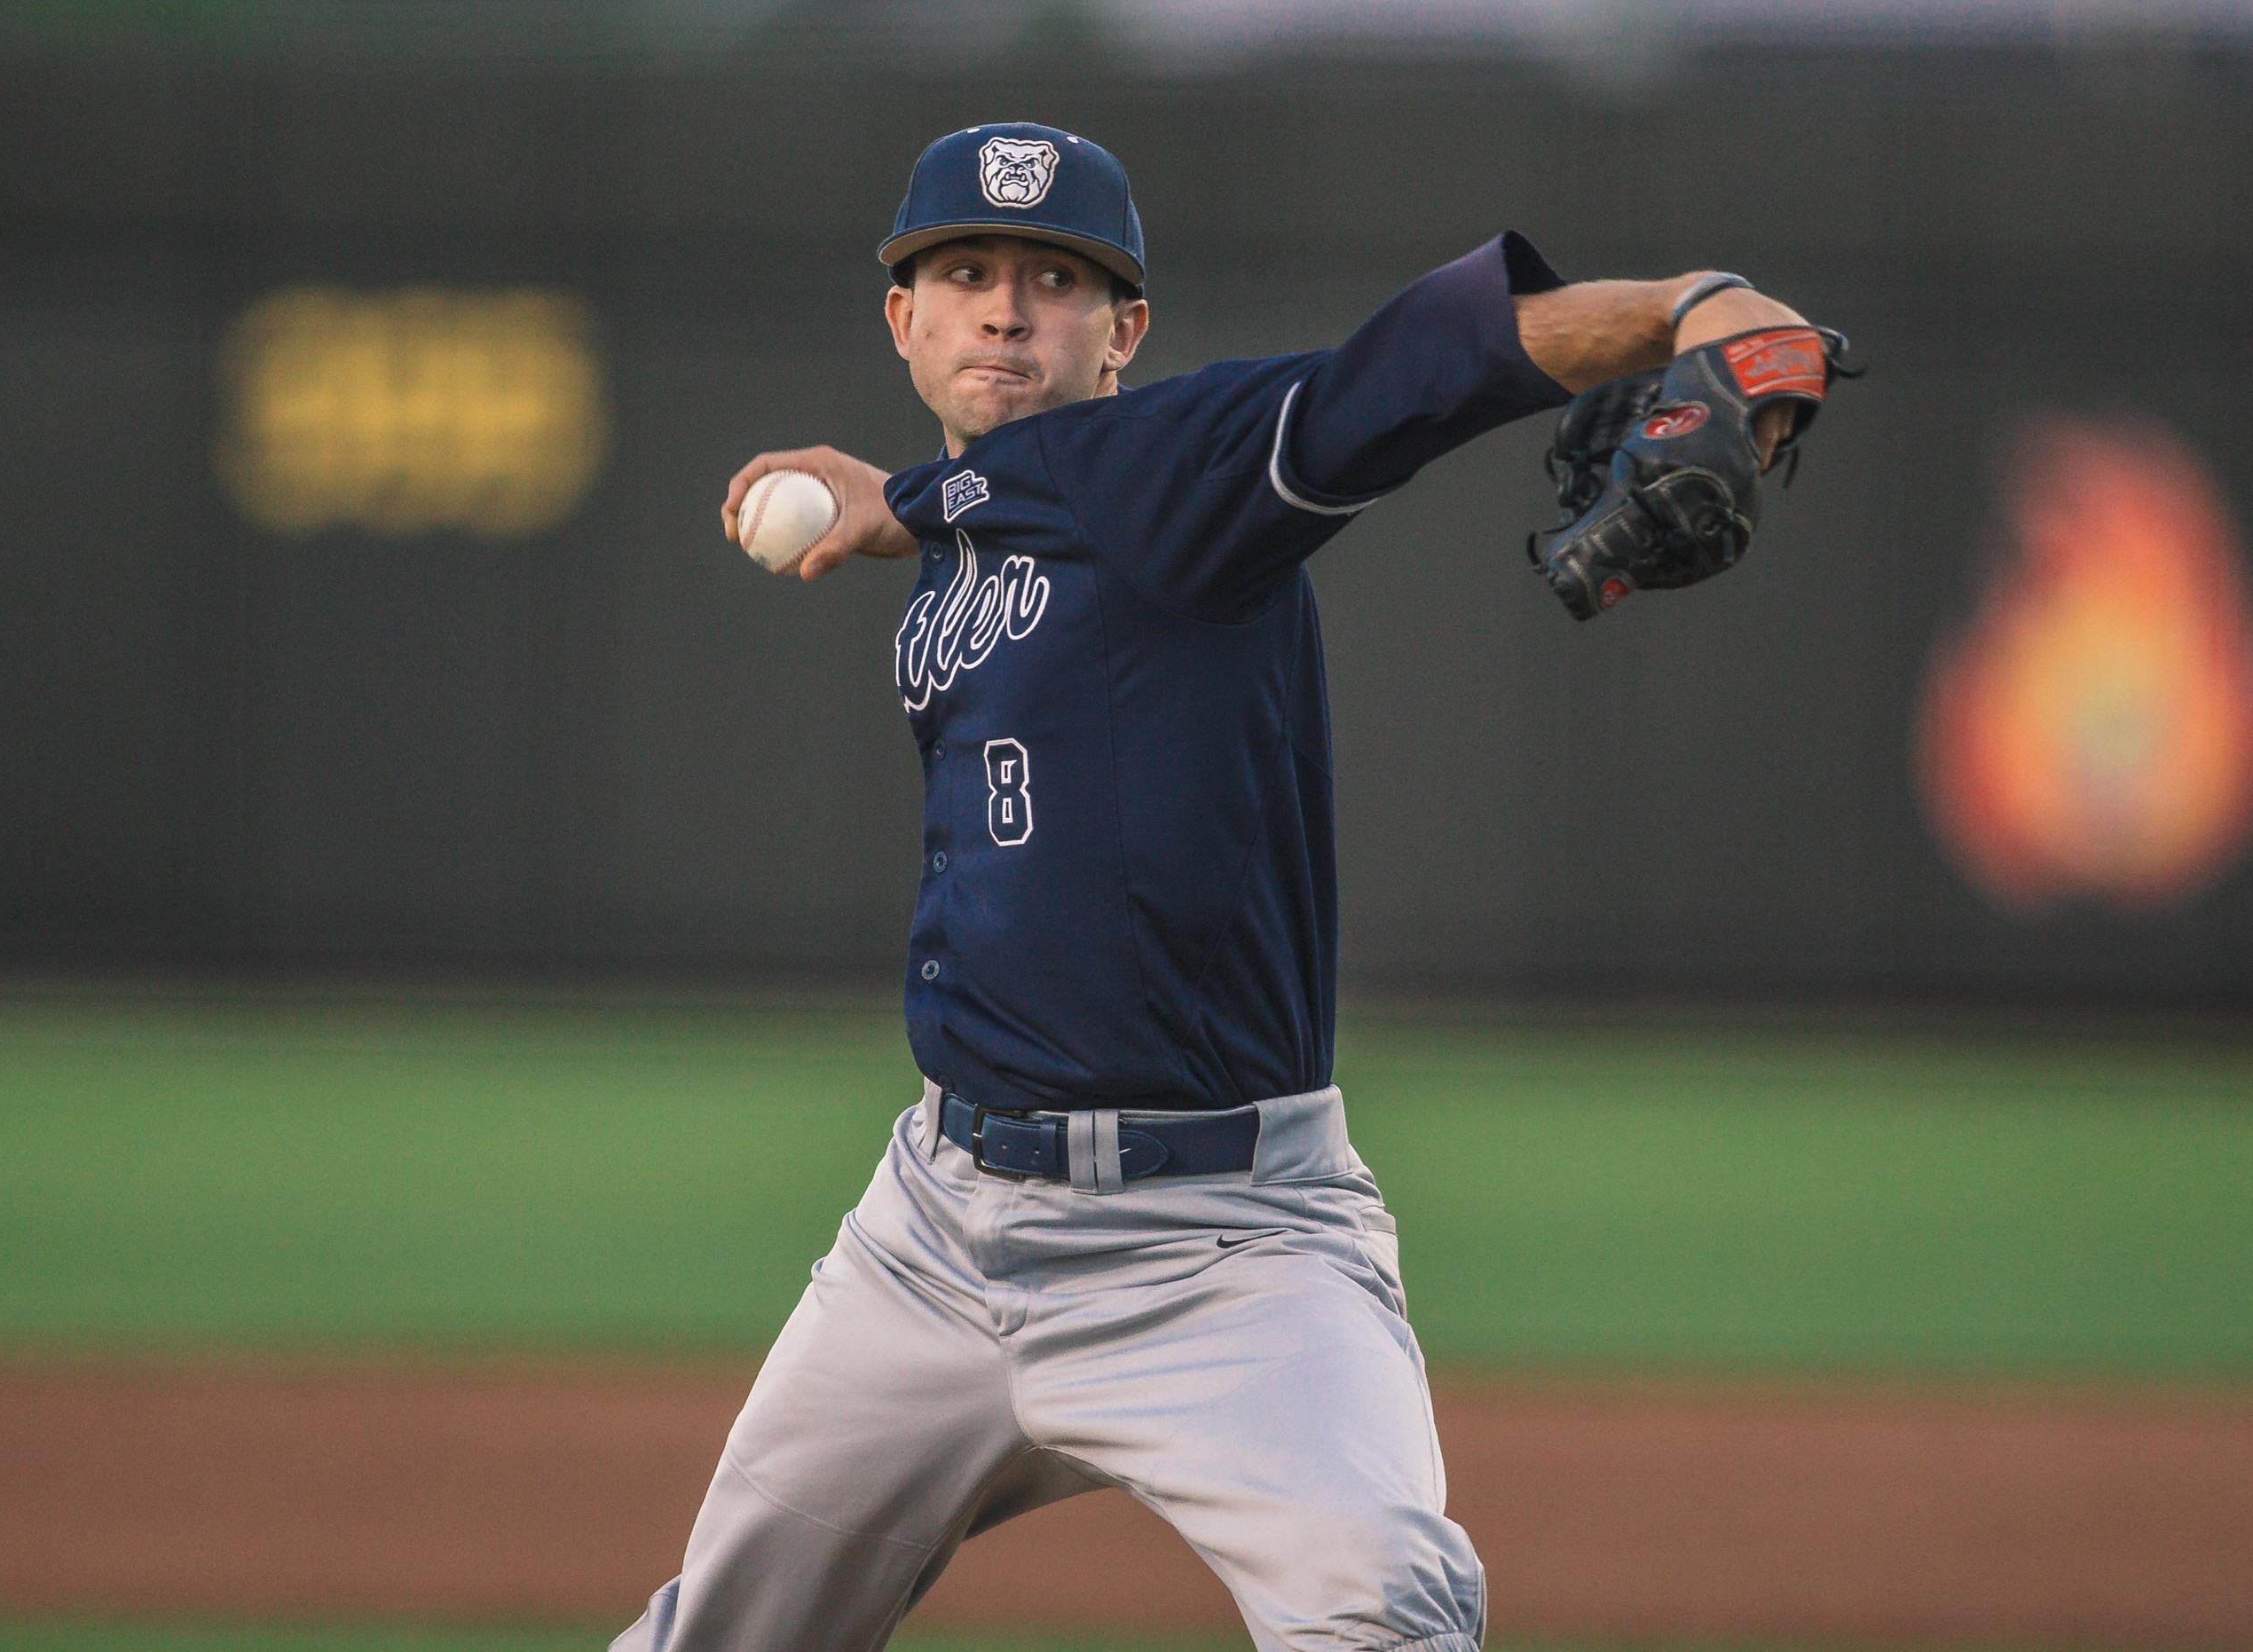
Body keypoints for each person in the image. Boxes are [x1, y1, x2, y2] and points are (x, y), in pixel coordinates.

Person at [623, 120, 1814, 1652]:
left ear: (1121, 334)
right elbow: (1009, 496)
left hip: (1223, 1243)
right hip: (939, 1232)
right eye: (965, 273)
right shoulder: (975, 513)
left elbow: (1403, 379)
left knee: (1383, 1613)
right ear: (903, 322)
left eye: (1055, 281)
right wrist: (902, 501)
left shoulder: (1176, 469)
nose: (1004, 308)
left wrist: (1679, 308)